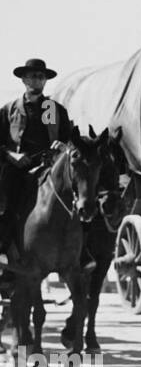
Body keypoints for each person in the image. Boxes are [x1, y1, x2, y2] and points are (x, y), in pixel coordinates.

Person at [0, 57, 75, 253]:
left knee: (79, 196)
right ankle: (4, 249)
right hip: (17, 167)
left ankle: (83, 252)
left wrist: (62, 145)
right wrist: (11, 156)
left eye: (42, 77)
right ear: (24, 80)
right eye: (33, 77)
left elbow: (66, 137)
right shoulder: (10, 110)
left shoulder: (50, 108)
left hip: (49, 165)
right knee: (9, 203)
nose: (38, 81)